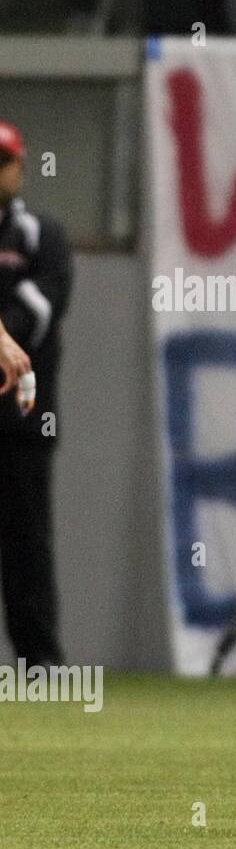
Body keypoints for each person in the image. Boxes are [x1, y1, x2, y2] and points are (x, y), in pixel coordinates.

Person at [0, 120, 72, 666]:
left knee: (27, 547)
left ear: (20, 167)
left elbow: (39, 313)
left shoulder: (41, 236)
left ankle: (40, 666)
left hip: (21, 418)